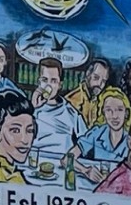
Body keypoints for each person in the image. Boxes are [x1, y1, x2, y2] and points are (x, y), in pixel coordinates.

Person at [27, 56, 87, 186]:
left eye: (53, 81)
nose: (48, 85)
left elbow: (86, 140)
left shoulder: (70, 112)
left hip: (61, 169)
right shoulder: (30, 109)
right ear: (38, 82)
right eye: (44, 80)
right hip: (34, 168)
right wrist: (32, 109)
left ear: (60, 85)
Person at [74, 87, 131, 185]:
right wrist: (85, 170)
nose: (114, 116)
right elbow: (67, 159)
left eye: (119, 110)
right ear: (103, 113)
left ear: (126, 113)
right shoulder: (97, 132)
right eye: (109, 110)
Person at [66, 57, 113, 129]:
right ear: (88, 75)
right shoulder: (73, 101)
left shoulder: (99, 102)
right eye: (96, 78)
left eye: (103, 81)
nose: (99, 84)